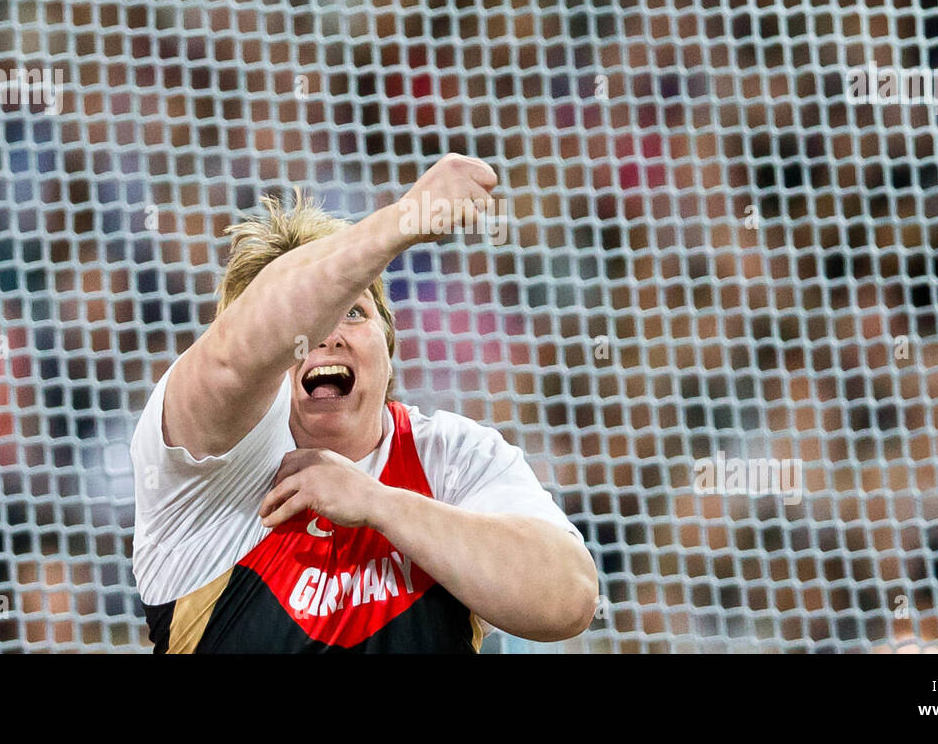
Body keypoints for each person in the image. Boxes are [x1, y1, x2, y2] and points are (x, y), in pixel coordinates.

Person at [131, 154, 598, 652]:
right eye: (308, 324)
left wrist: (380, 504)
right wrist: (406, 218)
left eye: (354, 312)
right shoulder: (199, 465)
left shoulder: (453, 455)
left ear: (389, 346)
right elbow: (235, 355)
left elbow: (568, 600)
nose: (328, 337)